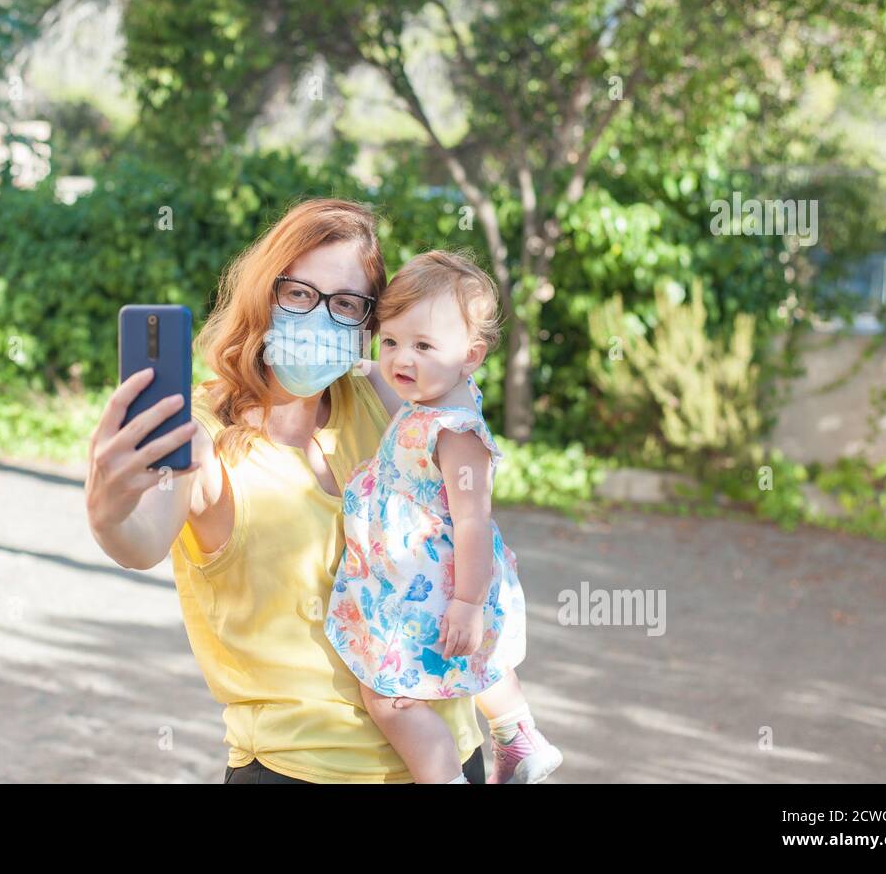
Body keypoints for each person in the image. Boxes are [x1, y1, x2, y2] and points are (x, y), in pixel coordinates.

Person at [85, 198, 485, 782]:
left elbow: (461, 422)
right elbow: (140, 542)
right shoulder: (204, 434)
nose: (320, 318)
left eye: (346, 304)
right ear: (263, 294)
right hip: (300, 768)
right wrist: (106, 510)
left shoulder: (384, 395)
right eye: (299, 293)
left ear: (369, 323)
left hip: (448, 753)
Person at [325, 249, 562, 784]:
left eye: (422, 346)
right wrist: (360, 365)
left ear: (471, 355)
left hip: (437, 583)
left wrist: (467, 603)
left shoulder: (456, 433)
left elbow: (475, 521)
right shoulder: (434, 395)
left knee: (388, 697)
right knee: (476, 664)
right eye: (390, 341)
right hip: (425, 575)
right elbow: (393, 383)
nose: (400, 360)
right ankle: (517, 735)